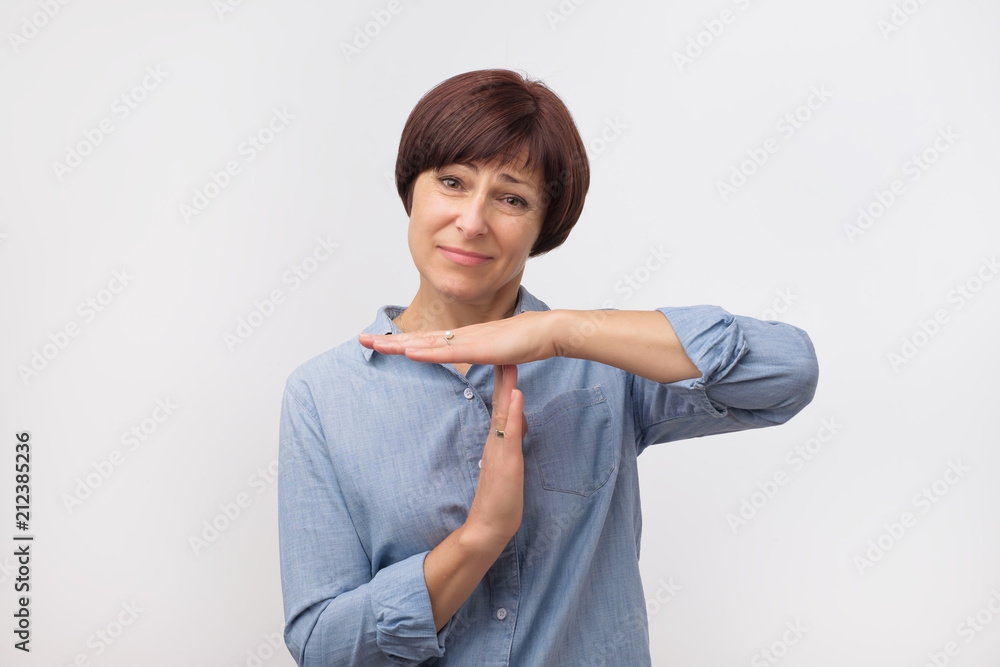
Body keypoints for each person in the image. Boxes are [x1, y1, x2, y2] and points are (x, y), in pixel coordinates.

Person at [277, 69, 819, 666]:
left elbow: (786, 373)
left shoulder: (602, 364)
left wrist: (562, 331)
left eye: (512, 198)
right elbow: (322, 648)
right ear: (413, 190)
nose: (473, 220)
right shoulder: (322, 395)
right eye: (452, 182)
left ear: (544, 225)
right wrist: (479, 537)